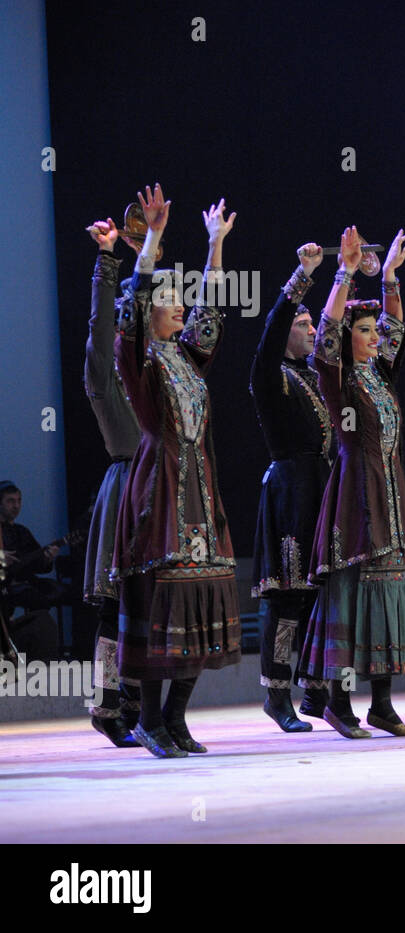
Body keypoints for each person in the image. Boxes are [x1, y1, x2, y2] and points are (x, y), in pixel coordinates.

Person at [111, 186, 243, 757]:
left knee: (202, 599)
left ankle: (175, 717)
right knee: (158, 603)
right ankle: (146, 720)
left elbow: (211, 317)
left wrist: (215, 249)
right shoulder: (136, 360)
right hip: (159, 492)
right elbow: (132, 315)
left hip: (199, 491)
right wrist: (154, 244)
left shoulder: (185, 358)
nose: (181, 306)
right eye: (171, 300)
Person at [297, 227, 405, 738]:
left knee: (391, 594)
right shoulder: (339, 377)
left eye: (376, 331)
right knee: (353, 598)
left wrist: (391, 275)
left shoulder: (379, 378)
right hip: (356, 497)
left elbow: (397, 330)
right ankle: (337, 702)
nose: (375, 338)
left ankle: (382, 704)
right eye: (366, 330)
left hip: (391, 493)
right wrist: (345, 272)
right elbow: (327, 333)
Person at [249, 242, 334, 732]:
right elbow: (273, 330)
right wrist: (301, 277)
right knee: (287, 597)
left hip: (320, 488)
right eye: (302, 324)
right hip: (290, 492)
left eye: (310, 323)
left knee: (321, 594)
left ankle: (317, 690)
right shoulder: (270, 376)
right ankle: (276, 695)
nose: (310, 330)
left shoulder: (311, 377)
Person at [81, 219, 144, 744]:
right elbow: (102, 330)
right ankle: (105, 705)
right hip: (127, 487)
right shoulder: (106, 375)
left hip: (164, 485)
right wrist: (108, 261)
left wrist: (149, 249)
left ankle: (141, 701)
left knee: (152, 599)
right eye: (128, 315)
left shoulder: (157, 370)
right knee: (113, 604)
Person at [0, 481, 62, 663]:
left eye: (19, 500)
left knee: (43, 597)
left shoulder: (21, 532)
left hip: (20, 586)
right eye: (10, 501)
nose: (16, 505)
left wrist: (47, 559)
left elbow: (38, 565)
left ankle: (39, 653)